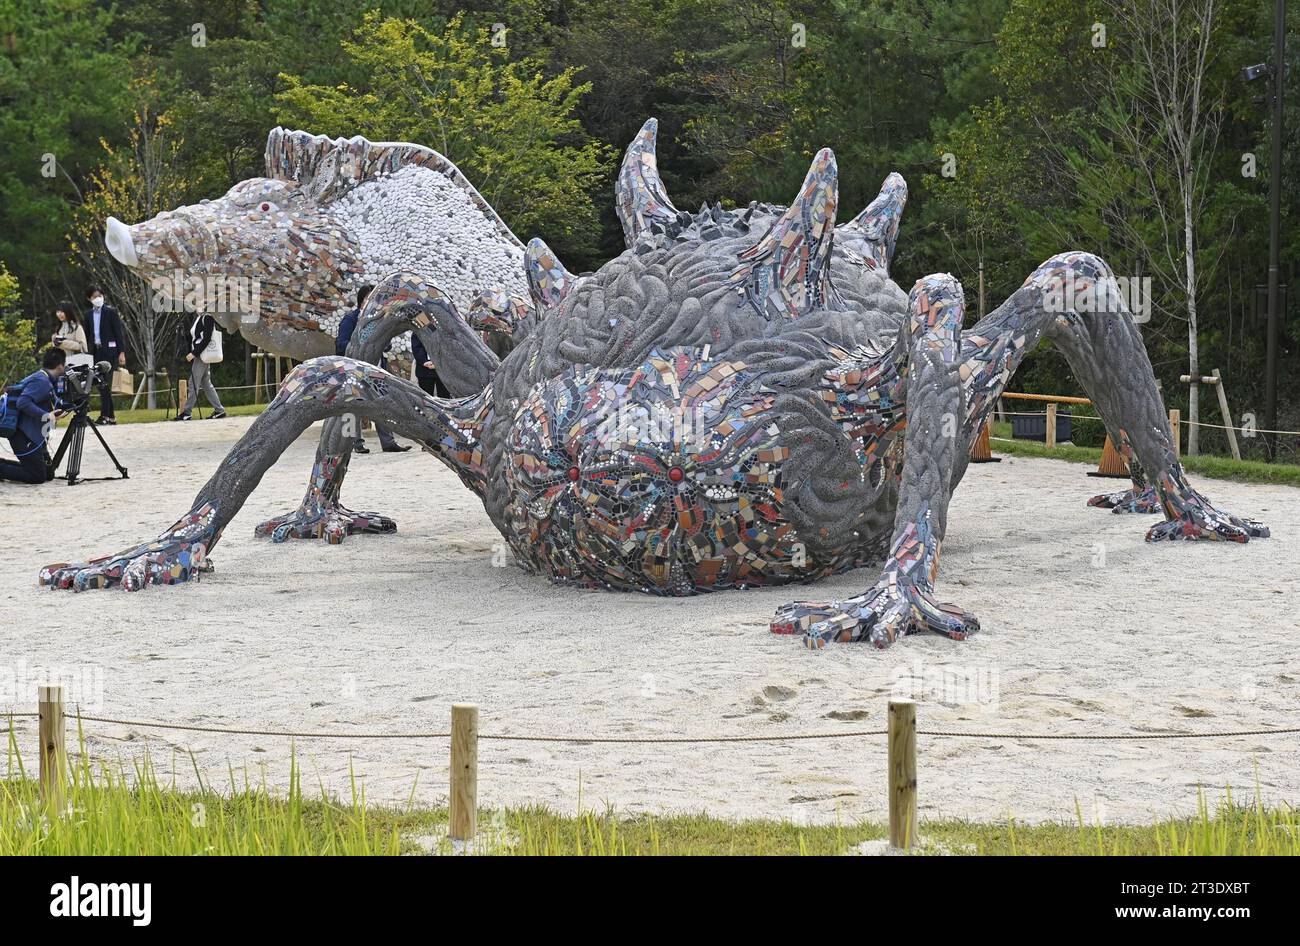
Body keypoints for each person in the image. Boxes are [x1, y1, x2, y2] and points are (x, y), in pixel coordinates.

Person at [335, 285, 410, 454]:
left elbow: (387, 344)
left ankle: (388, 442)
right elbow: (340, 343)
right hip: (353, 371)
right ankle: (353, 443)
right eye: (370, 299)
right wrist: (362, 346)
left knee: (382, 404)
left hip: (376, 370)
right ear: (362, 300)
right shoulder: (350, 319)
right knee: (352, 406)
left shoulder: (378, 320)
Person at [0, 348, 65, 484]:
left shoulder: (44, 378)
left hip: (33, 435)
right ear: (60, 366)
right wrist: (47, 416)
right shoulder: (42, 381)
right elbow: (22, 402)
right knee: (37, 476)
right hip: (23, 434)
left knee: (48, 473)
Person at [174, 310, 227, 421]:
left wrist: (194, 353)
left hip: (202, 355)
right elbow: (195, 337)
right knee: (206, 383)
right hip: (201, 355)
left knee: (193, 383)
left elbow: (206, 339)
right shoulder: (199, 317)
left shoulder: (207, 317)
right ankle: (219, 410)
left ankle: (187, 412)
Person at [85, 286, 126, 425]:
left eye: (99, 295)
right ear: (89, 299)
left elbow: (118, 332)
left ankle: (104, 416)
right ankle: (111, 417)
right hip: (96, 351)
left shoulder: (111, 312)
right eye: (94, 297)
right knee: (102, 384)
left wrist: (121, 352)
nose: (97, 299)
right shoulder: (88, 315)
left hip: (110, 351)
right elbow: (86, 334)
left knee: (104, 383)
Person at [51, 302, 90, 368]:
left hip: (75, 364)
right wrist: (54, 342)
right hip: (60, 365)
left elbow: (82, 347)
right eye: (58, 312)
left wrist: (63, 342)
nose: (59, 314)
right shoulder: (58, 329)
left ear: (68, 312)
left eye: (62, 311)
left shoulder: (77, 327)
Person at [411, 332, 450, 398]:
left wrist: (441, 362)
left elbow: (450, 346)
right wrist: (424, 361)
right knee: (426, 398)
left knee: (445, 398)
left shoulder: (446, 328)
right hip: (425, 369)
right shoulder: (419, 329)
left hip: (443, 369)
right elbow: (416, 347)